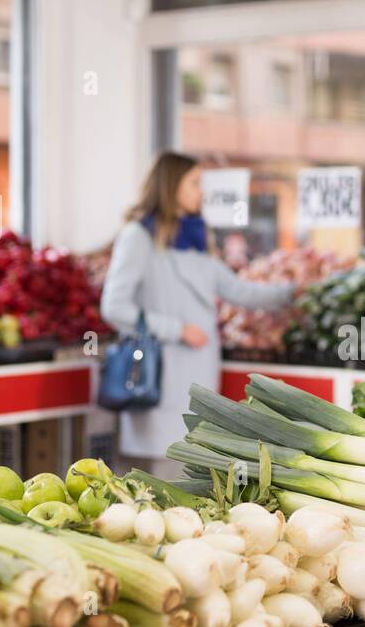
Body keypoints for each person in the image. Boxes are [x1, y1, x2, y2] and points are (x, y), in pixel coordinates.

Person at [101, 152, 294, 477]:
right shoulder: (139, 238)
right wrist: (177, 329)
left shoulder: (194, 240)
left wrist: (295, 292)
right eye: (194, 183)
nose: (200, 192)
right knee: (159, 482)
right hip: (159, 378)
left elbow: (240, 291)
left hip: (196, 380)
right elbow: (114, 307)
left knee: (189, 476)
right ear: (170, 186)